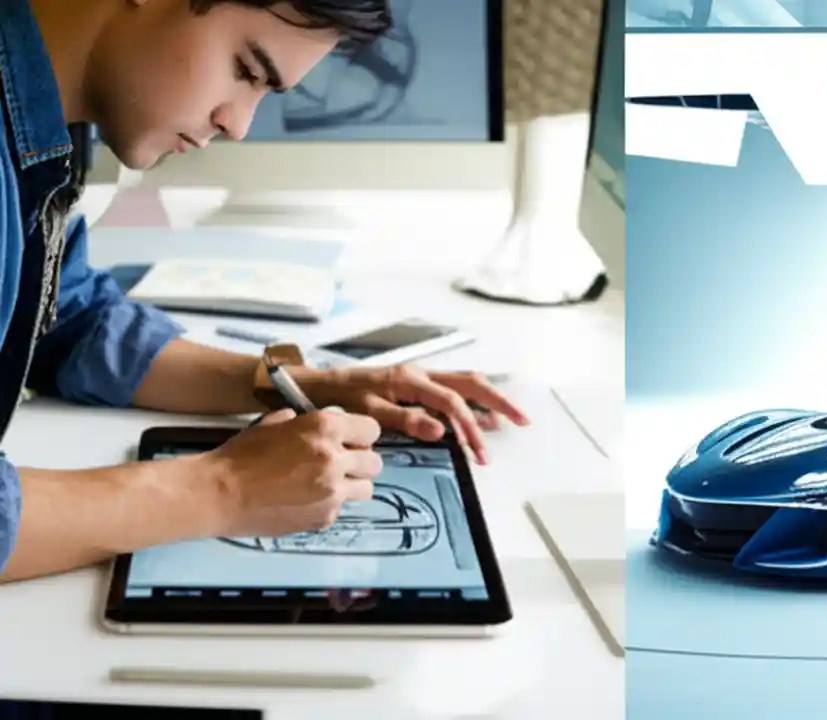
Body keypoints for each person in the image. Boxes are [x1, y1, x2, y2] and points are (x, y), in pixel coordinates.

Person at [0, 0, 529, 583]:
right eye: (246, 69)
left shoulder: (47, 127)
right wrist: (221, 489)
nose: (238, 124)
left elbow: (66, 319)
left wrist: (301, 385)